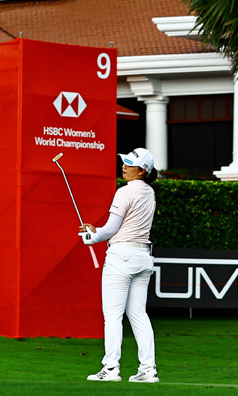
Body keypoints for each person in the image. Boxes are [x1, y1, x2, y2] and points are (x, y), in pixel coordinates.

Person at [79, 147, 158, 383]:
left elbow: (111, 230)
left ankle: (111, 368)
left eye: (130, 163)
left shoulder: (124, 192)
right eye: (124, 161)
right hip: (143, 257)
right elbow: (117, 228)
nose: (124, 165)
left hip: (121, 256)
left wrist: (92, 236)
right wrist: (97, 231)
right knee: (138, 313)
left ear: (142, 170)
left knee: (113, 314)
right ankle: (148, 370)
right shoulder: (150, 193)